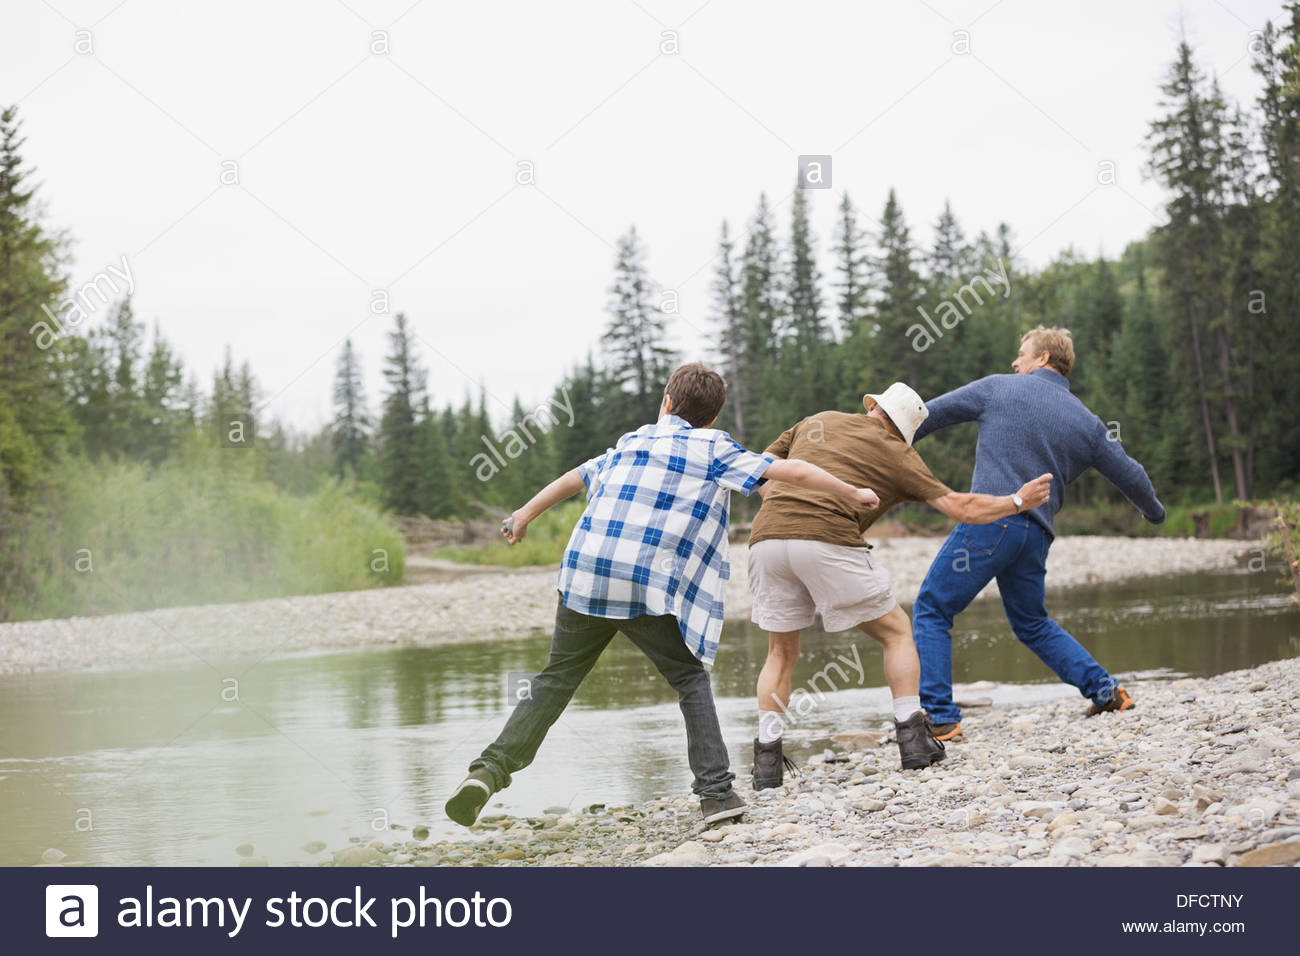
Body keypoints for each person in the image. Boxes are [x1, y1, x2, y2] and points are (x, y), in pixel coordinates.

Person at [445, 362, 881, 828]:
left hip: (585, 573)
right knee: (690, 678)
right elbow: (790, 470)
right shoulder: (713, 445)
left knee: (554, 680)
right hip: (644, 582)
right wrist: (852, 492)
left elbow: (576, 477)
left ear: (666, 403)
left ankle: (488, 772)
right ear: (712, 417)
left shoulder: (633, 441)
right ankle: (716, 795)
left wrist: (524, 513)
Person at [748, 381, 1053, 785]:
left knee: (780, 654)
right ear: (904, 429)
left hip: (765, 540)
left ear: (873, 406)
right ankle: (913, 742)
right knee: (896, 633)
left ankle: (766, 766)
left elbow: (754, 468)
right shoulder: (899, 454)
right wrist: (1017, 502)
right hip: (828, 539)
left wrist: (781, 498)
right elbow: (962, 507)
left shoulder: (816, 421)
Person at [911, 326, 1167, 742]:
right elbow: (1131, 474)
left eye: (1021, 354)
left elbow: (928, 415)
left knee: (932, 608)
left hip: (992, 522)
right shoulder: (1087, 421)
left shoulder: (998, 388)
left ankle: (940, 717)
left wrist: (883, 435)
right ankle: (1107, 692)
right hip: (1035, 537)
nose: (1015, 361)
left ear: (1044, 358)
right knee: (1032, 622)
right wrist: (1154, 514)